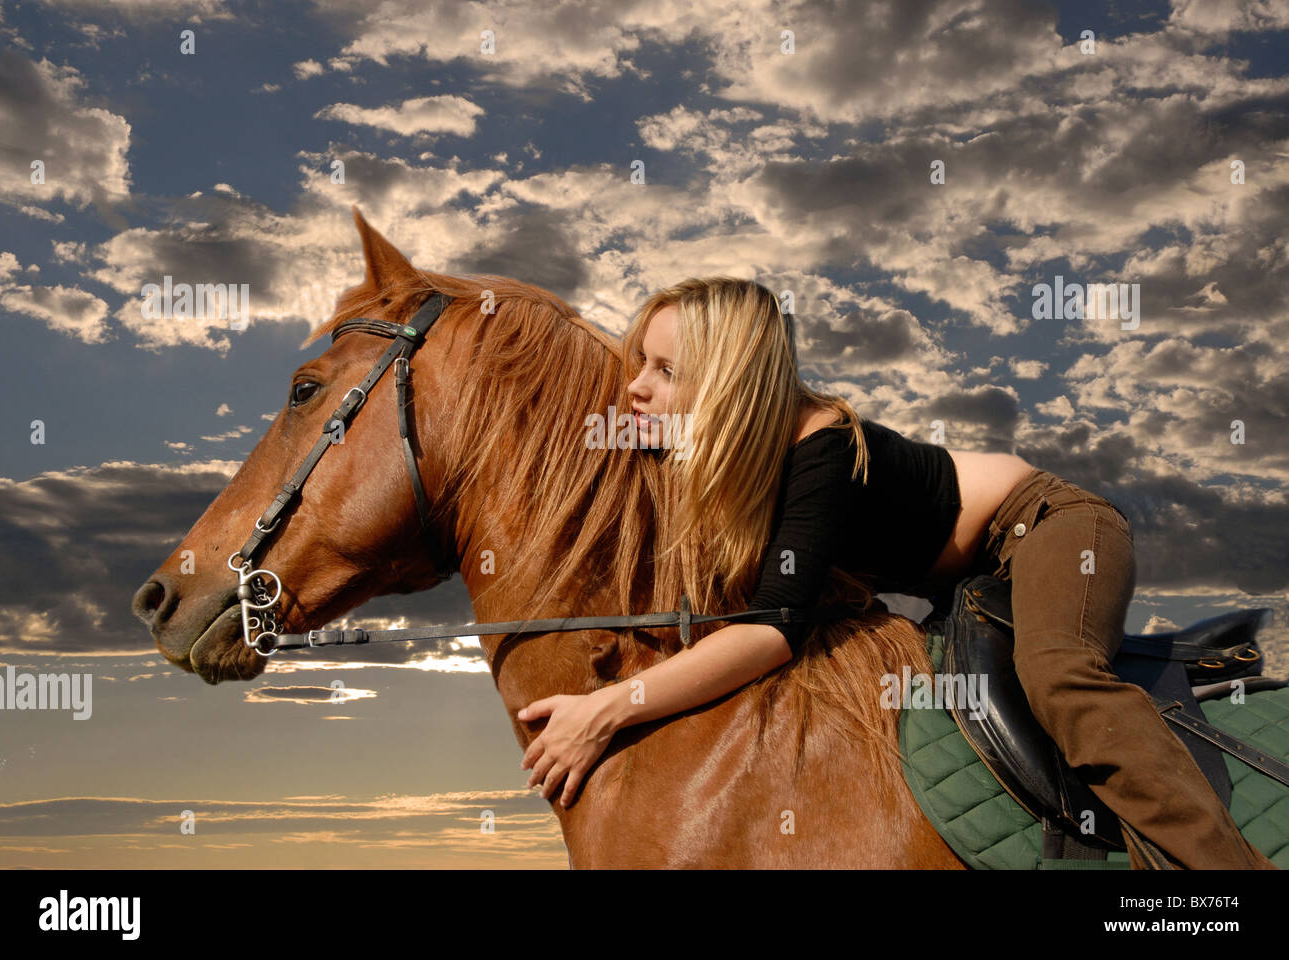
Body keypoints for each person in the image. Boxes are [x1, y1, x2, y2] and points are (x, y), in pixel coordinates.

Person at [517, 277, 1274, 870]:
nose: (635, 387)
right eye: (637, 363)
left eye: (665, 370)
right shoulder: (733, 459)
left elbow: (773, 633)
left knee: (1060, 674)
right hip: (963, 584)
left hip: (1049, 527)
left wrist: (611, 708)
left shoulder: (823, 452)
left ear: (730, 382)